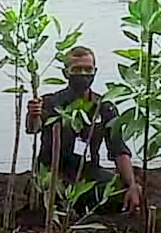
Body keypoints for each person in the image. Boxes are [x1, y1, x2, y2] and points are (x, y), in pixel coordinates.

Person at [25, 46, 144, 216]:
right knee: (52, 198)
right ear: (66, 73)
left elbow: (118, 150)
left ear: (95, 72)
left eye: (88, 69)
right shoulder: (51, 103)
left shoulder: (105, 107)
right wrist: (33, 114)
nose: (83, 74)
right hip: (54, 174)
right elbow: (33, 129)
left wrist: (131, 185)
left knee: (124, 191)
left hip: (89, 173)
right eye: (77, 69)